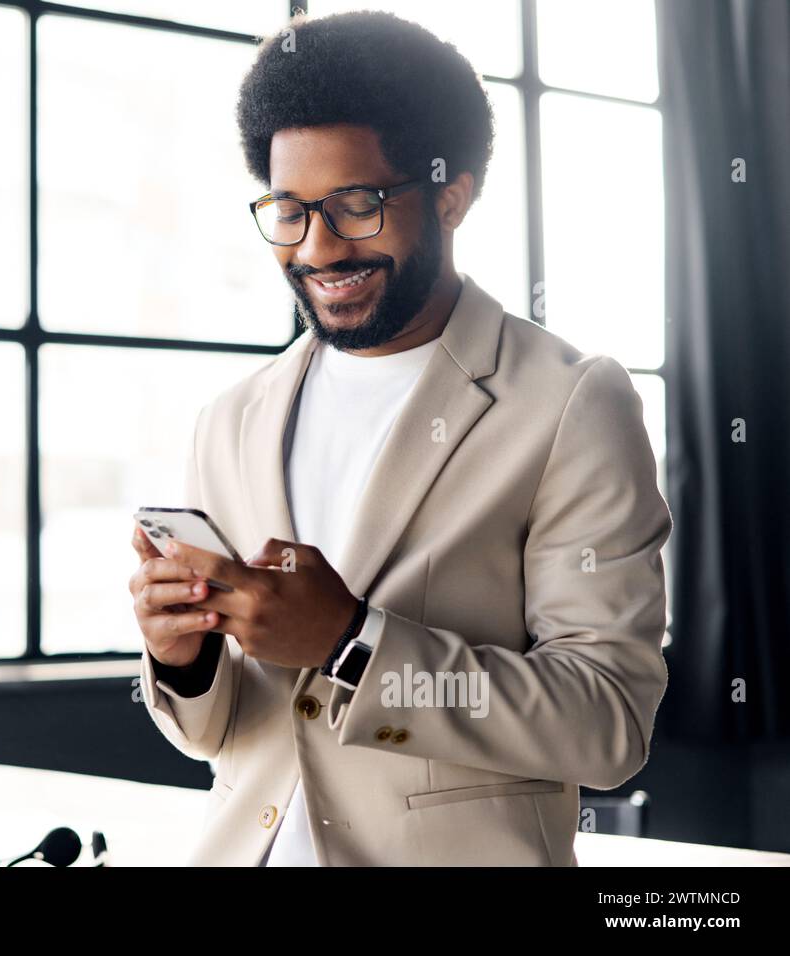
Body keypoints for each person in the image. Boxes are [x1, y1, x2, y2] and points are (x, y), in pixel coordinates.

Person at [128, 10, 670, 866]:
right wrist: (183, 658)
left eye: (356, 205)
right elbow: (229, 734)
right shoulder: (232, 419)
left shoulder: (569, 402)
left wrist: (351, 643)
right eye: (289, 210)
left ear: (452, 193)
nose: (317, 248)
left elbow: (606, 722)